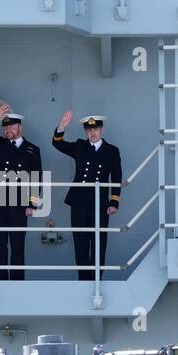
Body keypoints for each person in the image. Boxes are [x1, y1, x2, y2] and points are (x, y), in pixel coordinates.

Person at [0, 103, 42, 280]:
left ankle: (17, 284)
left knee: (18, 246)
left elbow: (37, 177)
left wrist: (32, 203)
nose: (8, 130)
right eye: (5, 127)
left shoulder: (32, 149)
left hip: (19, 203)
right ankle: (0, 283)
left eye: (12, 126)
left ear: (20, 127)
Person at [52, 112, 122, 279]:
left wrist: (114, 201)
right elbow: (57, 144)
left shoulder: (112, 151)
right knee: (81, 243)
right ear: (85, 132)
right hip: (79, 202)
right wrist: (61, 126)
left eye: (95, 129)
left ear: (101, 130)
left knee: (99, 243)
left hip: (100, 203)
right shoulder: (79, 146)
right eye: (89, 130)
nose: (93, 132)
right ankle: (84, 280)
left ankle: (97, 280)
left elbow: (117, 177)